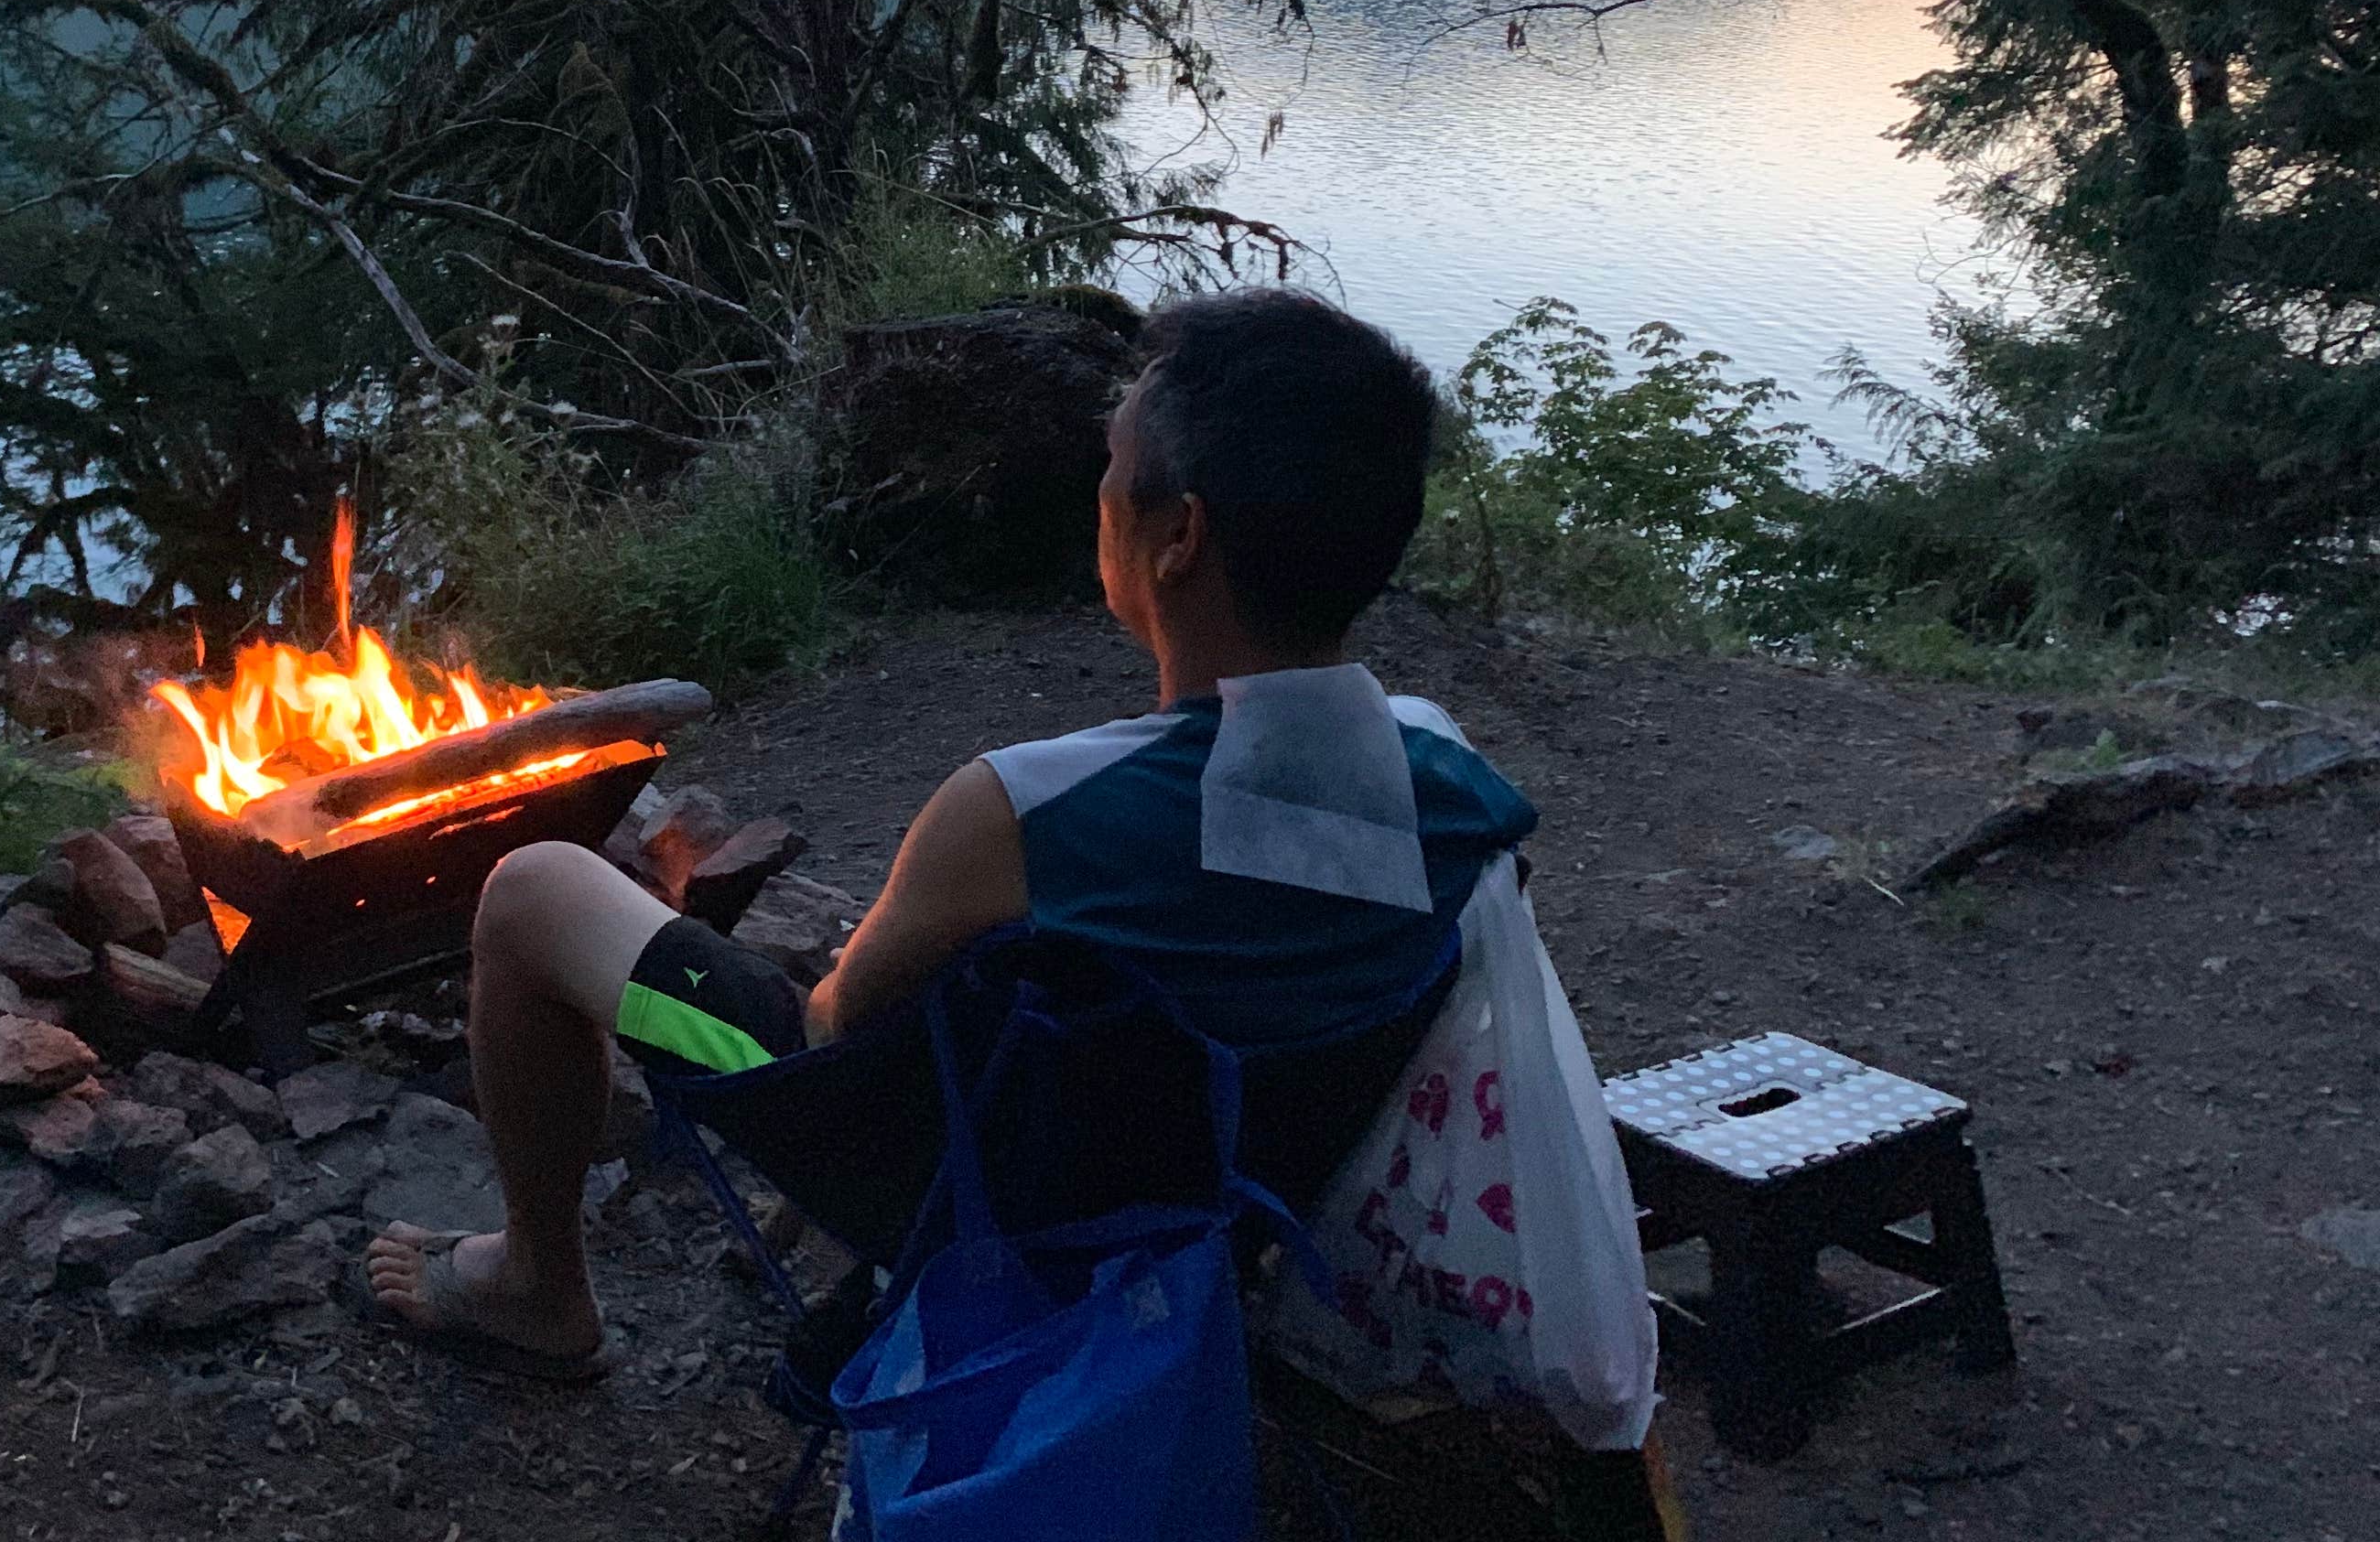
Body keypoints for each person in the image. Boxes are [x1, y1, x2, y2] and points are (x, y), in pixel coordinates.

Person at [366, 287, 1538, 1375]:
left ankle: (538, 1289)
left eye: (1113, 467)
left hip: (964, 1195)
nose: (1098, 492)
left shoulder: (1023, 808)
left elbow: (833, 1030)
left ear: (1177, 537)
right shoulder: (1455, 787)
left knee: (534, 889)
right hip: (1245, 1193)